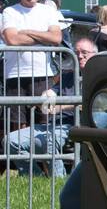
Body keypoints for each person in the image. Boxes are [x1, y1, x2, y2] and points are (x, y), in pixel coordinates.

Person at [5, 37, 95, 177]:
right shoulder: (67, 76)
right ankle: (35, 177)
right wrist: (46, 96)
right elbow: (52, 92)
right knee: (10, 141)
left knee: (49, 140)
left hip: (79, 126)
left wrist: (61, 107)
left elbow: (90, 102)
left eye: (84, 52)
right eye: (76, 52)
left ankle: (58, 181)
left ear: (94, 54)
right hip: (54, 124)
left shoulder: (98, 77)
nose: (79, 56)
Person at [1, 0, 64, 131]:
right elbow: (12, 40)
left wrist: (27, 32)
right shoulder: (10, 12)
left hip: (44, 74)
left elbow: (56, 37)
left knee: (45, 122)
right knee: (17, 126)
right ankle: (19, 154)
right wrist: (44, 36)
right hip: (15, 75)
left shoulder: (48, 11)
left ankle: (42, 155)